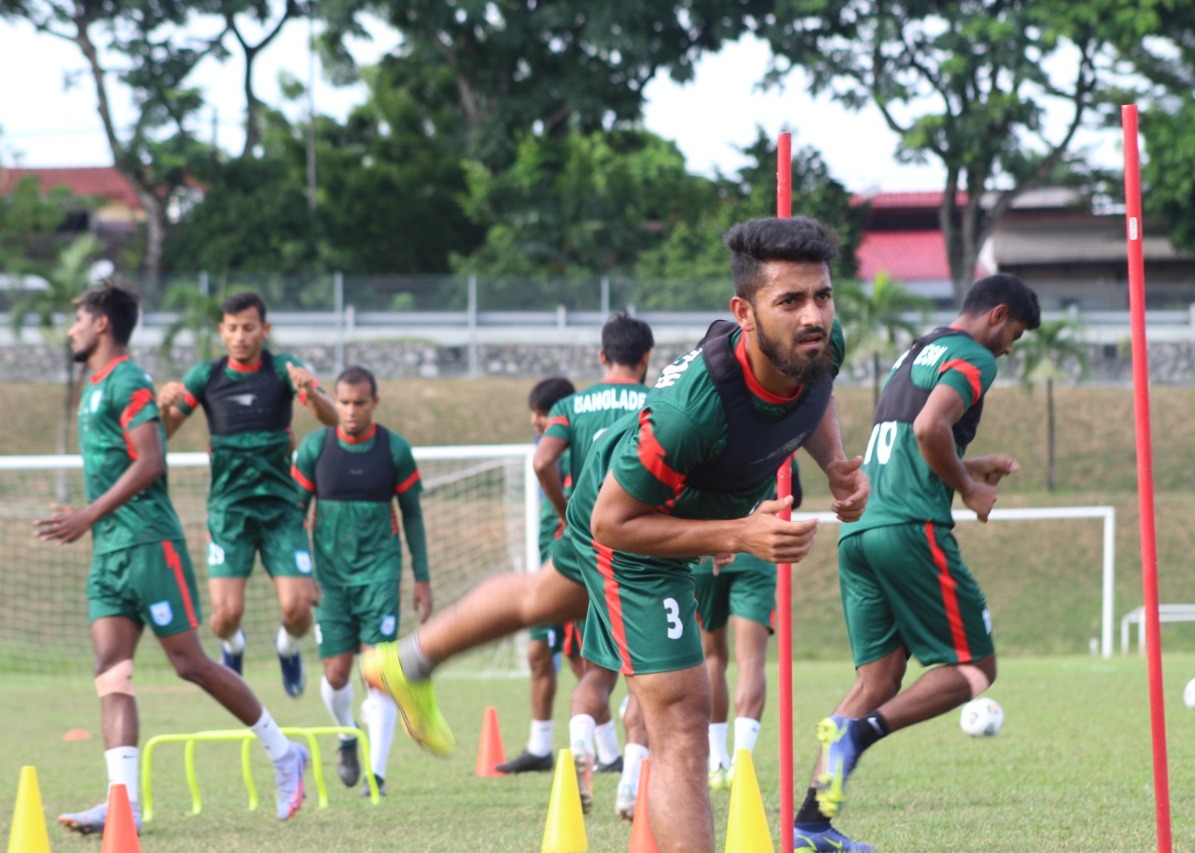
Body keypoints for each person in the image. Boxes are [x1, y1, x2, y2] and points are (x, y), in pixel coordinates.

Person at [362, 216, 869, 853]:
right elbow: (613, 523)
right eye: (789, 301)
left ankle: (403, 661)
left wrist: (838, 467)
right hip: (632, 518)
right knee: (683, 717)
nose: (812, 317)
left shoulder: (819, 342)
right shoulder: (692, 408)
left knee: (546, 597)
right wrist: (738, 533)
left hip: (662, 502)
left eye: (821, 296)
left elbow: (814, 390)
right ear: (745, 312)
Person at [37, 284, 310, 835]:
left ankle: (285, 754)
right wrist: (95, 525)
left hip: (148, 544)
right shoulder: (93, 388)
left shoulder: (128, 381)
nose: (72, 329)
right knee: (110, 672)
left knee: (190, 664)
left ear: (103, 326)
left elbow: (152, 460)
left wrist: (87, 514)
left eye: (79, 319)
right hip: (109, 552)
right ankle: (124, 806)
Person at [792, 273, 1040, 853]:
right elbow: (931, 429)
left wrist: (968, 465)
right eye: (1016, 335)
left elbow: (911, 437)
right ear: (998, 315)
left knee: (876, 679)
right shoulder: (975, 355)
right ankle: (861, 734)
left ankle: (811, 825)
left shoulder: (919, 351)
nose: (1009, 348)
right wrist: (970, 491)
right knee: (976, 668)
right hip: (909, 528)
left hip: (861, 533)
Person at [157, 291, 338, 697]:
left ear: (265, 330)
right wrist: (163, 408)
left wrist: (312, 392)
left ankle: (286, 649)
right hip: (229, 513)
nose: (240, 336)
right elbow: (162, 435)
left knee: (298, 610)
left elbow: (332, 419)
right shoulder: (206, 376)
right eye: (233, 328)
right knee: (225, 615)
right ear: (222, 331)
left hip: (281, 512)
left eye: (249, 328)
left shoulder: (283, 368)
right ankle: (232, 647)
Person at [533, 311, 655, 814]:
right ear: (646, 359)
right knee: (646, 677)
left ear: (602, 357)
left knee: (596, 669)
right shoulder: (657, 401)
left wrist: (568, 516)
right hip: (645, 552)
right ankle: (631, 786)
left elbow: (542, 461)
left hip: (590, 551)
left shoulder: (570, 404)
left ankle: (580, 747)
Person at [291, 365, 432, 798]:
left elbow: (412, 514)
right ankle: (348, 735)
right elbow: (293, 516)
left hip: (380, 574)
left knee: (378, 672)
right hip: (330, 580)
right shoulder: (315, 448)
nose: (350, 411)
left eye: (359, 403)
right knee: (335, 676)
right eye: (344, 402)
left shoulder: (395, 451)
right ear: (335, 401)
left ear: (375, 403)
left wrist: (422, 577)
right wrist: (301, 573)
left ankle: (377, 776)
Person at [697, 454, 800, 793]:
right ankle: (742, 763)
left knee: (712, 657)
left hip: (703, 547)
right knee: (751, 660)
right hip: (756, 550)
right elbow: (791, 493)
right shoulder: (779, 431)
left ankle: (717, 762)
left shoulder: (701, 424)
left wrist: (715, 536)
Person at [494, 376, 577, 775]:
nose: (537, 423)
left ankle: (609, 750)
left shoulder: (583, 448)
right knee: (538, 651)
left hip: (578, 561)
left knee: (582, 656)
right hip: (548, 560)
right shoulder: (542, 450)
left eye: (542, 416)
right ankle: (539, 746)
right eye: (535, 417)